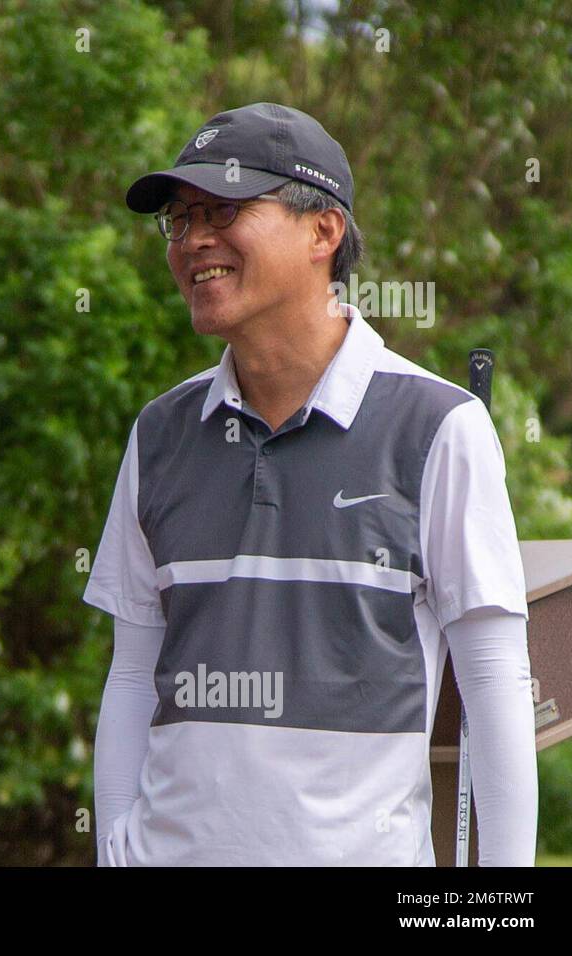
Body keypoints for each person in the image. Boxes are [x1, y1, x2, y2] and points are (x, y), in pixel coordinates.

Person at [85, 102, 536, 866]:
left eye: (223, 209)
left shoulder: (438, 427)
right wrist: (115, 848)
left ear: (323, 230)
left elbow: (494, 684)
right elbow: (133, 670)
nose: (194, 239)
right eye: (180, 218)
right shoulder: (159, 433)